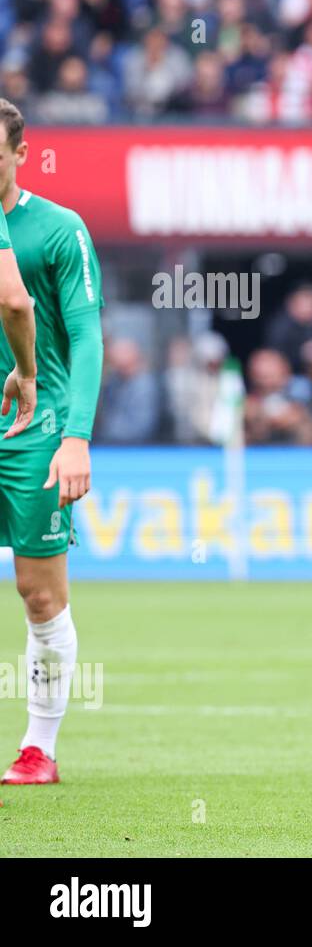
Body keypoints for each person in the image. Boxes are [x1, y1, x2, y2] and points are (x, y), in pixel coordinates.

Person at [0, 99, 104, 788]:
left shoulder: (59, 230)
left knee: (39, 595)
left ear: (20, 153)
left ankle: (39, 748)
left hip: (36, 434)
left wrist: (76, 436)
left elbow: (88, 334)